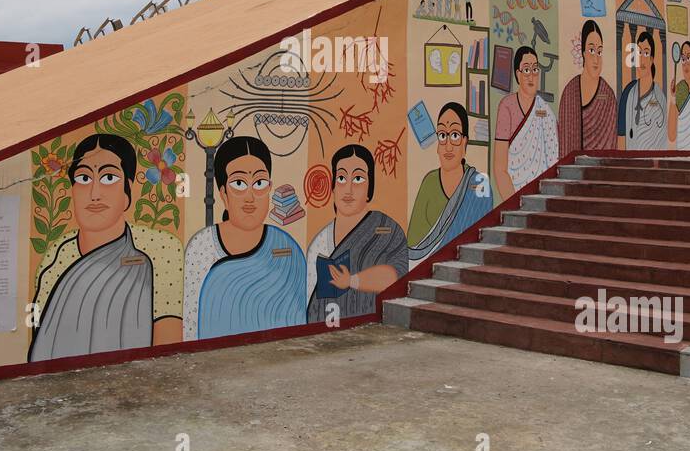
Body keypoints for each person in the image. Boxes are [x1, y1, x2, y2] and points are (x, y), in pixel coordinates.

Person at [29, 134, 152, 362]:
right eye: (84, 178)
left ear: (128, 190)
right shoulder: (56, 261)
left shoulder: (142, 265)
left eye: (108, 177)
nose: (94, 194)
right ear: (72, 190)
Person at [182, 135, 306, 341]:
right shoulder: (202, 246)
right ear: (223, 194)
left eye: (259, 183)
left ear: (269, 187)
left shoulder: (286, 246)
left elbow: (297, 318)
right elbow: (191, 323)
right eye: (239, 183)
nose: (250, 196)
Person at [305, 144, 408, 323]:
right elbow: (311, 298)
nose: (349, 188)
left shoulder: (387, 230)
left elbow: (396, 275)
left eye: (359, 178)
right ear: (333, 187)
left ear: (370, 189)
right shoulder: (320, 243)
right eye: (342, 178)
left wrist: (352, 281)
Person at [407, 102, 492, 263]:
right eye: (442, 135)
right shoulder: (430, 182)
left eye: (454, 136)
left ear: (465, 142)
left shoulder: (480, 183)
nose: (447, 145)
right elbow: (414, 245)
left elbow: (484, 239)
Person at [493, 46, 559, 200]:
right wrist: (514, 204)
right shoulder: (506, 106)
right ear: (518, 74)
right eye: (527, 70)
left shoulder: (545, 111)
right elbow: (499, 168)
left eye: (535, 70)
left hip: (543, 196)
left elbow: (553, 161)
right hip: (513, 193)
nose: (531, 76)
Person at [558, 19, 618, 152]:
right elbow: (564, 145)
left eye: (600, 52)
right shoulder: (569, 92)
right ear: (583, 52)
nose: (596, 59)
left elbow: (611, 148)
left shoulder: (607, 95)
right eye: (591, 50)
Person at [616, 29, 666, 150]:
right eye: (638, 53)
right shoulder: (627, 93)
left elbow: (663, 139)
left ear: (652, 59)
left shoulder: (659, 97)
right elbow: (621, 137)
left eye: (646, 53)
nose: (642, 59)